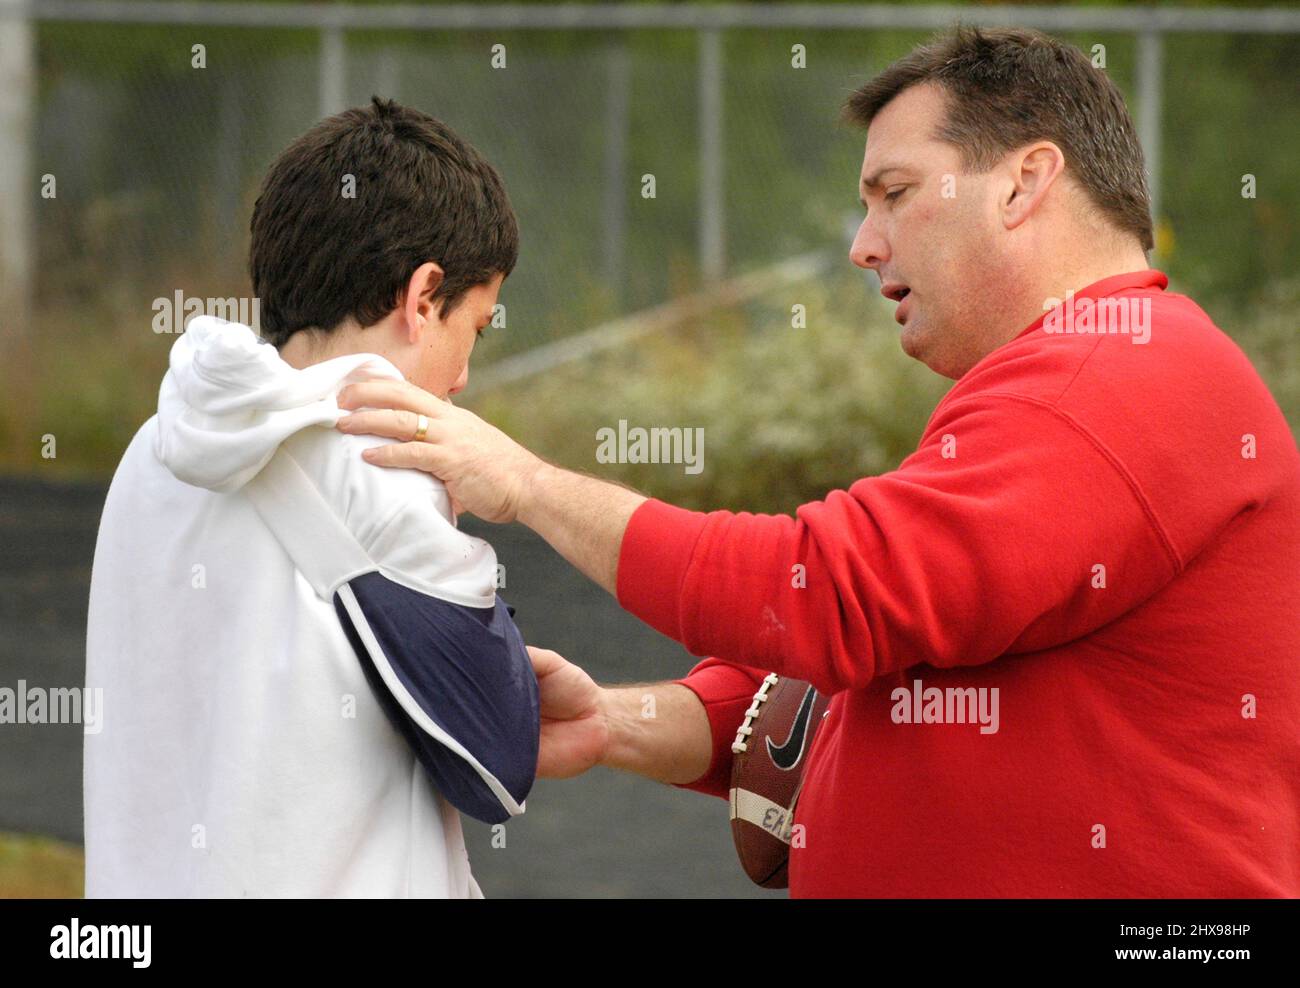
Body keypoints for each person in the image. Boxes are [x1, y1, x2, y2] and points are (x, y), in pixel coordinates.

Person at [334, 29, 1300, 897]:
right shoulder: (1086, 371)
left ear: (1023, 182)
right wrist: (622, 722)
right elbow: (848, 682)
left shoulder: (1118, 366)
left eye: (896, 194)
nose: (863, 244)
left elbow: (829, 595)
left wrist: (530, 485)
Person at [85, 98, 537, 897]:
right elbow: (500, 766)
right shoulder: (385, 461)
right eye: (477, 323)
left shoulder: (153, 446)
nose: (464, 377)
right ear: (423, 296)